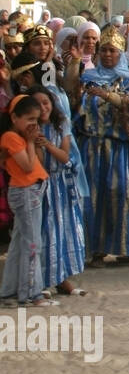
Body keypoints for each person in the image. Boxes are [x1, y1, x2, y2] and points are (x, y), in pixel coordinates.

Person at [76, 27, 129, 267]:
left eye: (113, 51)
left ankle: (128, 247)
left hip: (121, 149)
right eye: (104, 50)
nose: (108, 55)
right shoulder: (87, 78)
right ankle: (95, 251)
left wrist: (109, 97)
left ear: (121, 54)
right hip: (93, 147)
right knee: (94, 198)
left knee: (121, 194)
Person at [33, 88, 86, 298]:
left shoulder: (61, 123)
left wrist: (46, 145)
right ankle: (43, 281)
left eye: (46, 102)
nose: (43, 107)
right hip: (40, 186)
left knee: (63, 231)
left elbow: (64, 156)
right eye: (37, 104)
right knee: (45, 232)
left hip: (60, 185)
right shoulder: (31, 127)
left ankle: (62, 279)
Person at [0, 96, 52, 307]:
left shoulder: (19, 137)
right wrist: (30, 142)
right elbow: (28, 167)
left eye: (36, 120)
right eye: (29, 119)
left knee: (19, 244)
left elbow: (37, 161)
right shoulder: (11, 137)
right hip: (25, 192)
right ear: (14, 117)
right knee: (32, 244)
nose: (34, 124)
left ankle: (10, 291)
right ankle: (32, 293)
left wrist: (33, 142)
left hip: (31, 190)